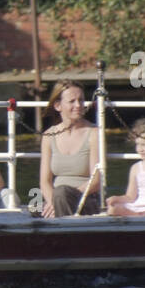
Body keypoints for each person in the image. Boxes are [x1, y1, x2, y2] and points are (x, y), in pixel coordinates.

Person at [39, 80, 101, 217]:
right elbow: (45, 181)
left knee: (62, 193)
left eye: (81, 100)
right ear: (58, 105)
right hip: (56, 198)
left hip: (86, 198)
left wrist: (64, 198)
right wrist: (53, 202)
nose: (78, 105)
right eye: (72, 101)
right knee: (34, 204)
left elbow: (96, 181)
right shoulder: (49, 135)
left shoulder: (94, 133)